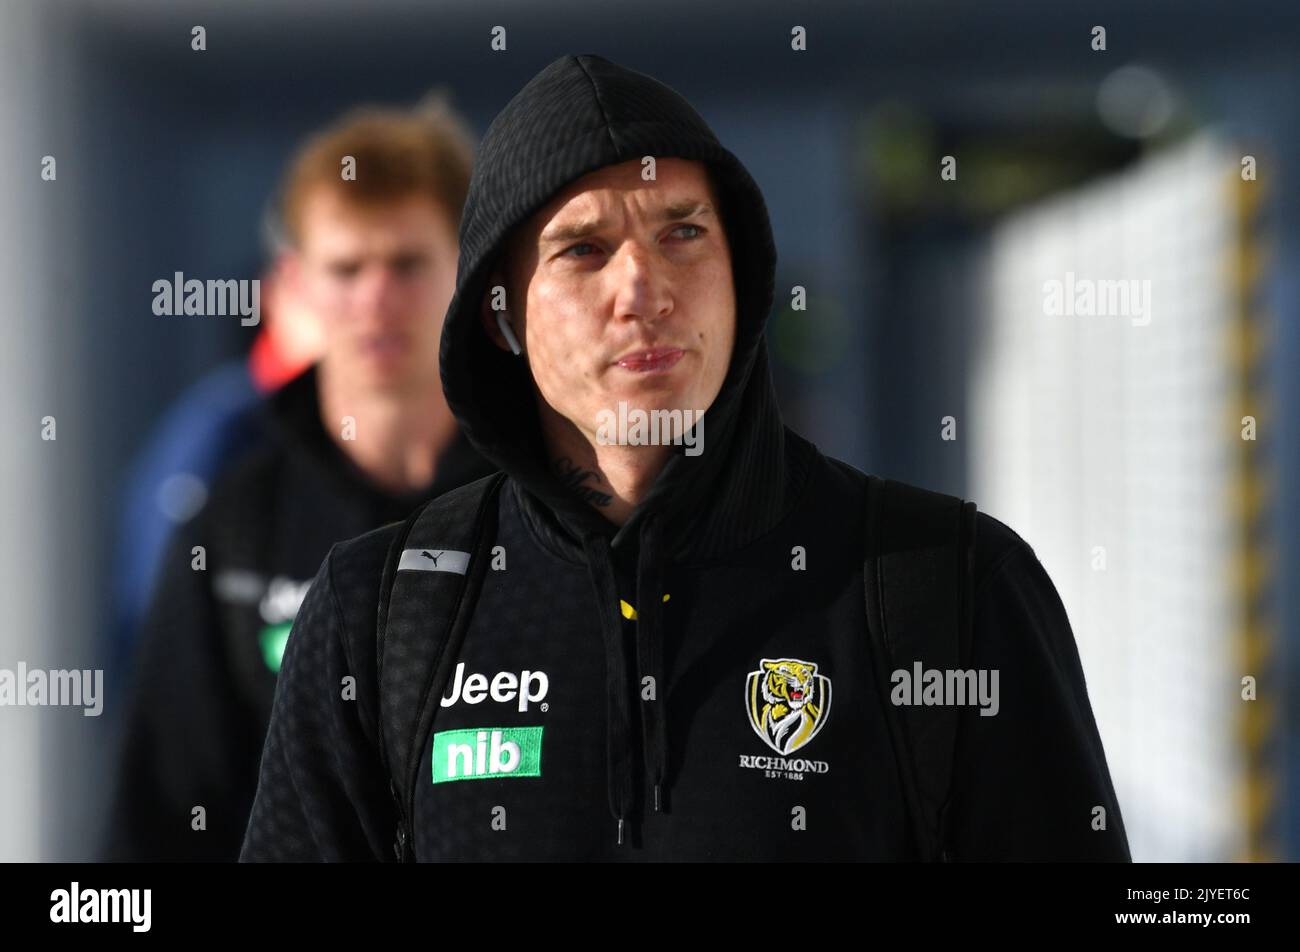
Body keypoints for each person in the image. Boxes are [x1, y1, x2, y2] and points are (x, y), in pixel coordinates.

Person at [239, 54, 1131, 862]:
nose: (643, 290)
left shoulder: (952, 587)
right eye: (583, 250)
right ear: (499, 315)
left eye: (683, 233)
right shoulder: (380, 617)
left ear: (742, 274)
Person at [104, 93, 496, 861]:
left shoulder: (543, 504)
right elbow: (161, 813)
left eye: (408, 264)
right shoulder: (233, 527)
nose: (376, 299)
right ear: (295, 283)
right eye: (346, 268)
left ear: (471, 269)